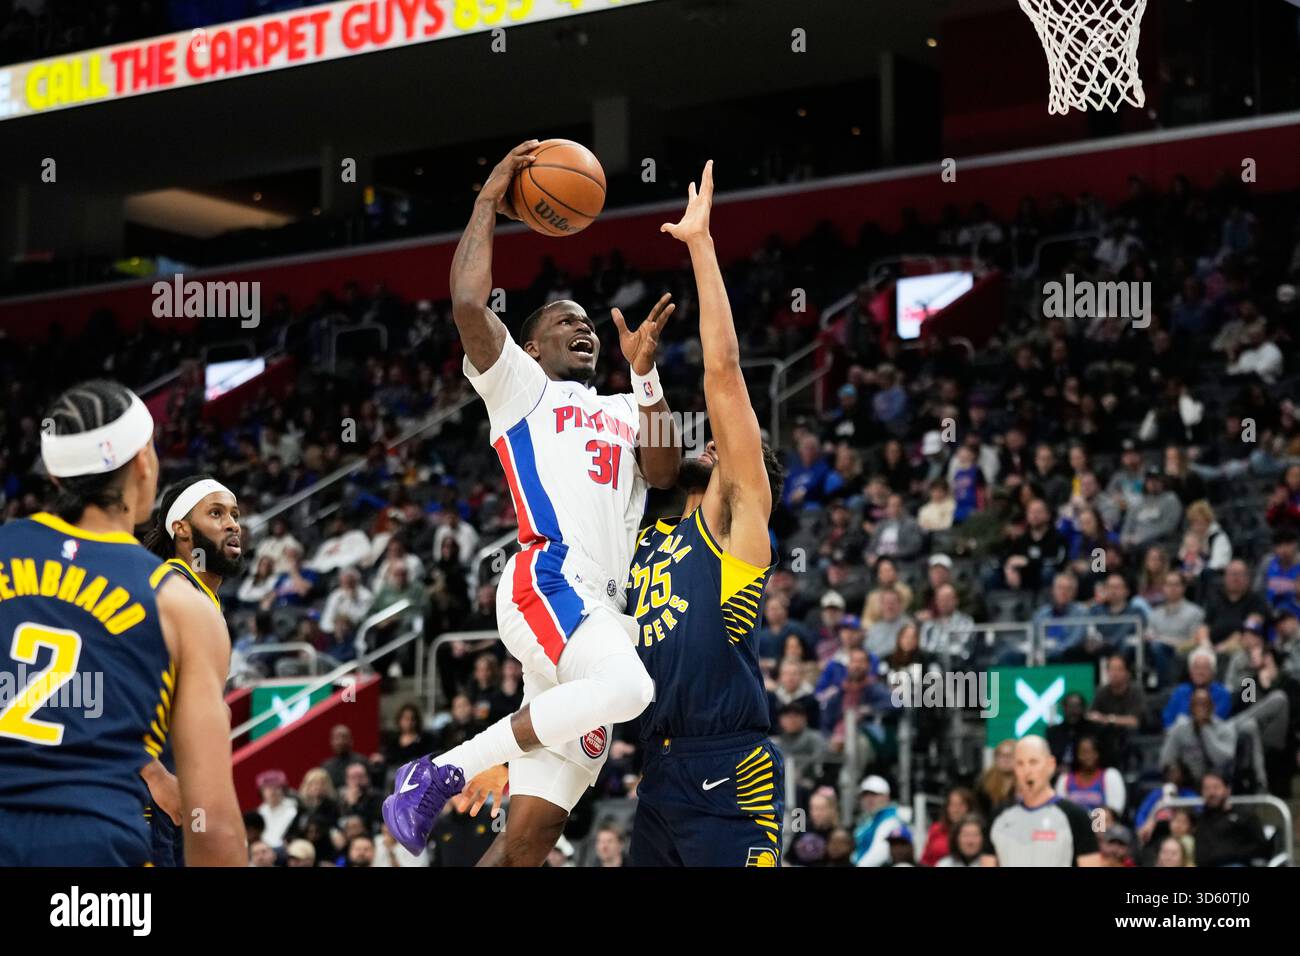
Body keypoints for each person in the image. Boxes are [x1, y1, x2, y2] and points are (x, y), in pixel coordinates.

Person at [384, 142, 683, 857]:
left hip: (600, 614)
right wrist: (490, 201)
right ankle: (443, 769)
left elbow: (665, 473)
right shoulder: (523, 389)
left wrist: (647, 378)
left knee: (529, 840)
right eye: (564, 320)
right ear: (531, 345)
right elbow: (464, 302)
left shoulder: (621, 405)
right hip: (547, 583)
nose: (582, 328)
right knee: (631, 687)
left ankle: (451, 772)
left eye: (587, 322)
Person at [0, 380, 245, 865]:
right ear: (143, 463)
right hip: (95, 844)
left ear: (55, 473)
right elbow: (212, 821)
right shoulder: (178, 600)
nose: (234, 523)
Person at [137, 473, 245, 866]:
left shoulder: (202, 598)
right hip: (145, 797)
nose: (232, 523)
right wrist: (154, 776)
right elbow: (97, 691)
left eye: (235, 514)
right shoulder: (166, 593)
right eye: (215, 513)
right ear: (181, 529)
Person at [985, 735, 1102, 867]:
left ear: (1050, 764)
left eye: (1033, 762)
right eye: (1020, 763)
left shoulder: (1076, 816)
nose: (1027, 771)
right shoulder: (998, 816)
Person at [1195, 770, 1271, 867]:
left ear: (1227, 790)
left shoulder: (1244, 816)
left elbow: (1262, 848)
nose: (1211, 793)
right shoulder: (1201, 820)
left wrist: (1230, 854)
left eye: (1216, 787)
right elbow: (1200, 856)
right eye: (1207, 788)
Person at [852, 775, 901, 867]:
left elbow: (880, 853)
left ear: (886, 797)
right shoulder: (866, 821)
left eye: (874, 795)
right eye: (865, 795)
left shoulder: (890, 820)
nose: (869, 799)